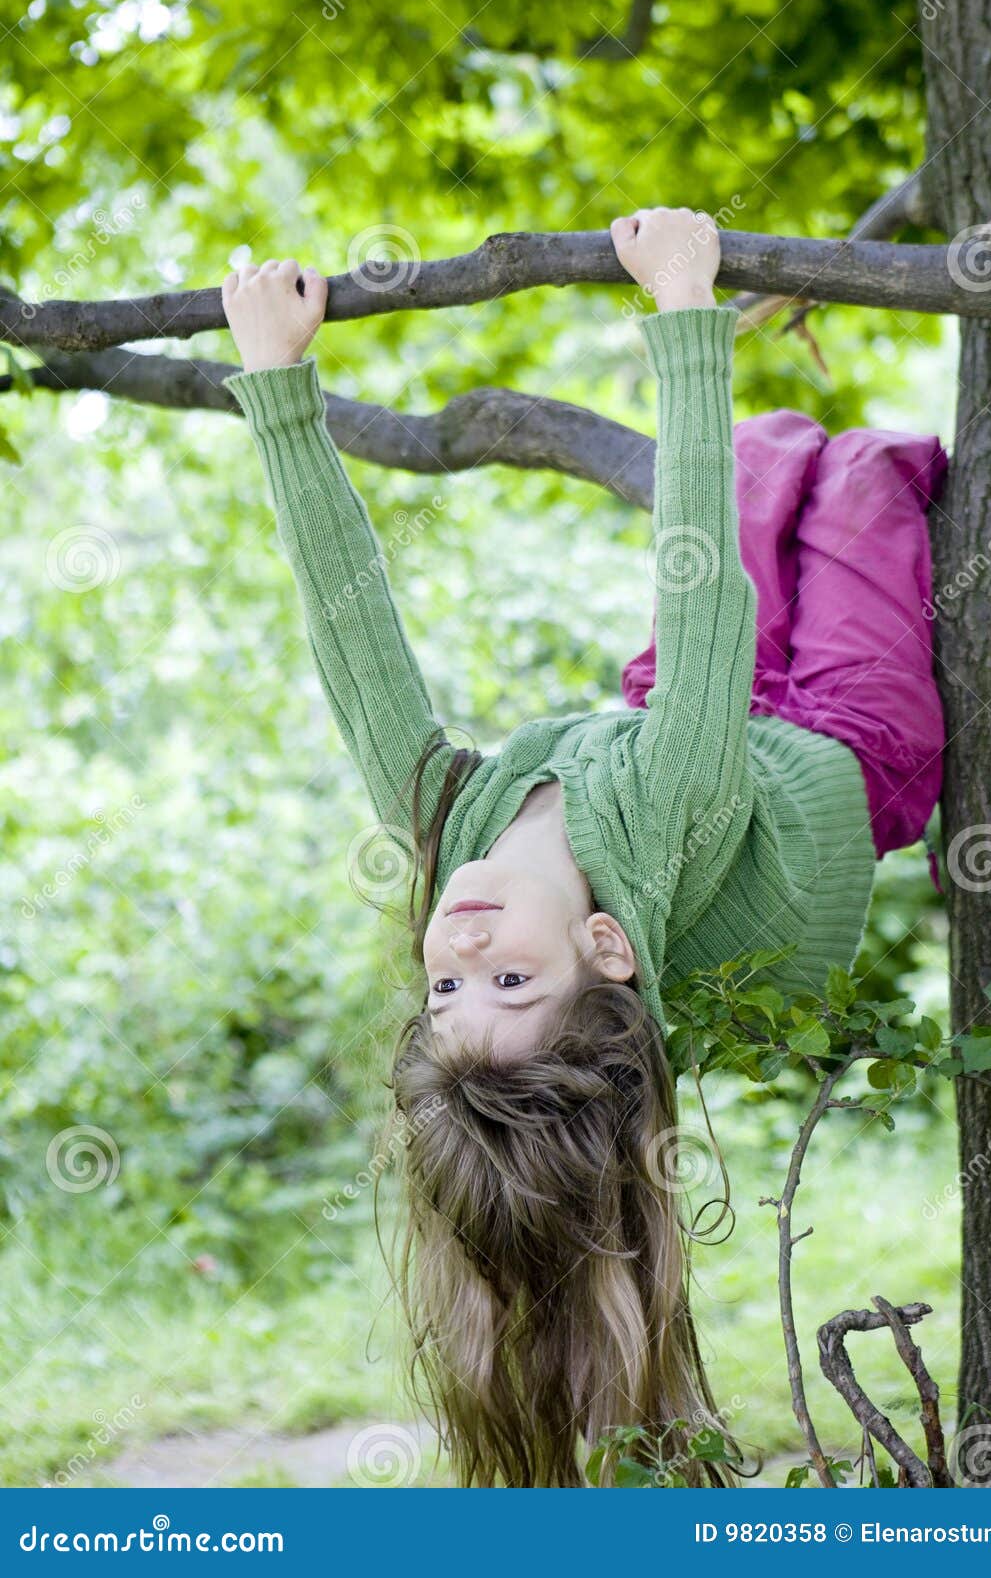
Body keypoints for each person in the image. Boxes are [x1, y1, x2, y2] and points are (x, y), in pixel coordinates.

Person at [220, 208, 945, 1487]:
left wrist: (280, 382)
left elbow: (350, 635)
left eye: (445, 990)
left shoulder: (453, 828)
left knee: (763, 460)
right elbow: (702, 592)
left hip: (695, 709)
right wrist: (679, 300)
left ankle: (783, 456)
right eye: (508, 980)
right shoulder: (661, 816)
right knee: (861, 480)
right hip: (842, 749)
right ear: (605, 945)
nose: (460, 947)